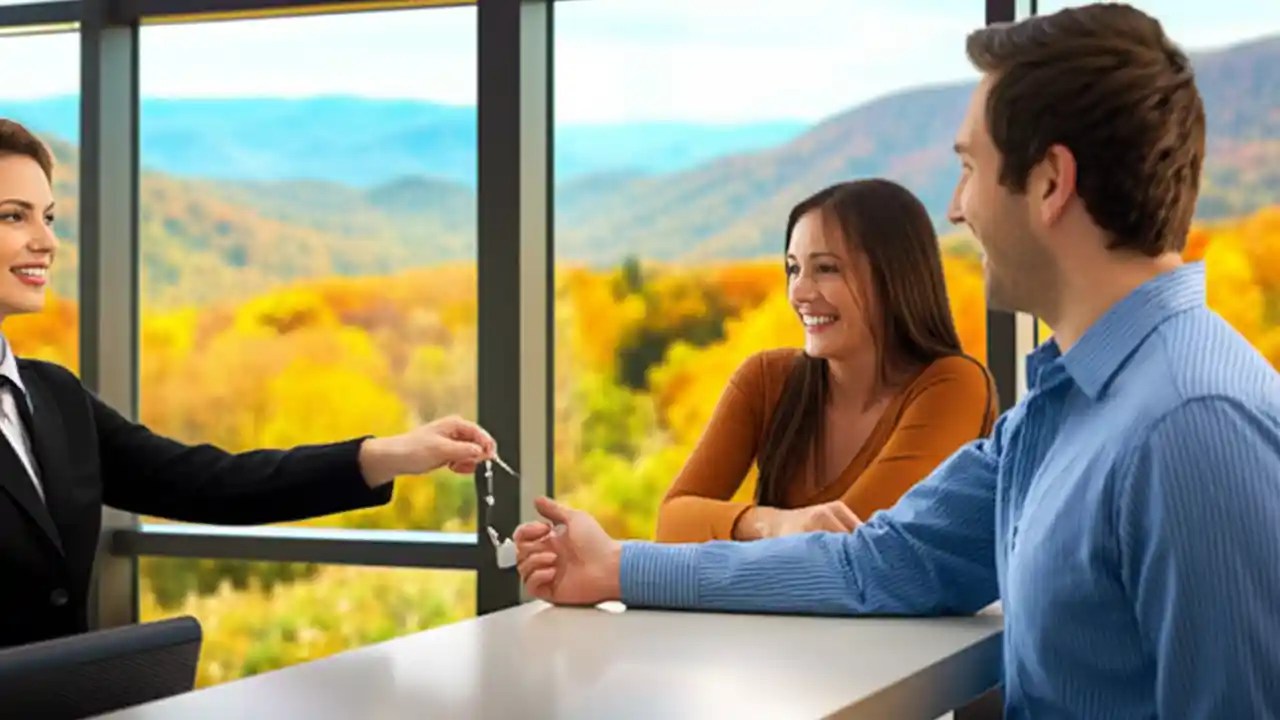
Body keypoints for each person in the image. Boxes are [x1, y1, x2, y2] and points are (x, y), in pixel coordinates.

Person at [514, 5, 1280, 718]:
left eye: (969, 168)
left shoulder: (1191, 428)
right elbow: (877, 564)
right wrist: (617, 568)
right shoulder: (1063, 405)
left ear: (1051, 183)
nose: (956, 208)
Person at [0, 118, 498, 650]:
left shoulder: (54, 397)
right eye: (14, 217)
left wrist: (387, 454)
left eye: (49, 218)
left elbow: (211, 482)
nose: (47, 242)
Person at [655, 179, 995, 543]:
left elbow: (849, 547)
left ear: (893, 276)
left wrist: (737, 530)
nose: (799, 292)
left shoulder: (953, 386)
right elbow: (672, 523)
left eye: (826, 268)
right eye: (793, 269)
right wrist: (774, 523)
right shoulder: (766, 380)